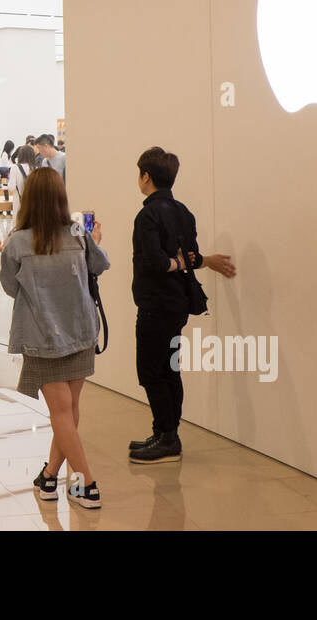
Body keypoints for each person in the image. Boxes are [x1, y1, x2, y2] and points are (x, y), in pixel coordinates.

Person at [0, 166, 109, 509]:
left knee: (62, 414)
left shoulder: (17, 242)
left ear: (28, 199)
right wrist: (94, 241)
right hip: (80, 331)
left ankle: (87, 485)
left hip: (42, 336)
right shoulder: (78, 234)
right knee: (70, 411)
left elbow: (10, 287)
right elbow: (100, 265)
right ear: (61, 198)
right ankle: (49, 477)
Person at [128, 146, 237, 464]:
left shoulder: (147, 215)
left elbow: (158, 263)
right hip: (176, 305)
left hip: (155, 304)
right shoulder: (183, 212)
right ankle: (165, 432)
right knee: (169, 369)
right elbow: (190, 256)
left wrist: (174, 263)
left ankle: (167, 438)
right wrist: (200, 261)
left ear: (145, 176)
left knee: (151, 371)